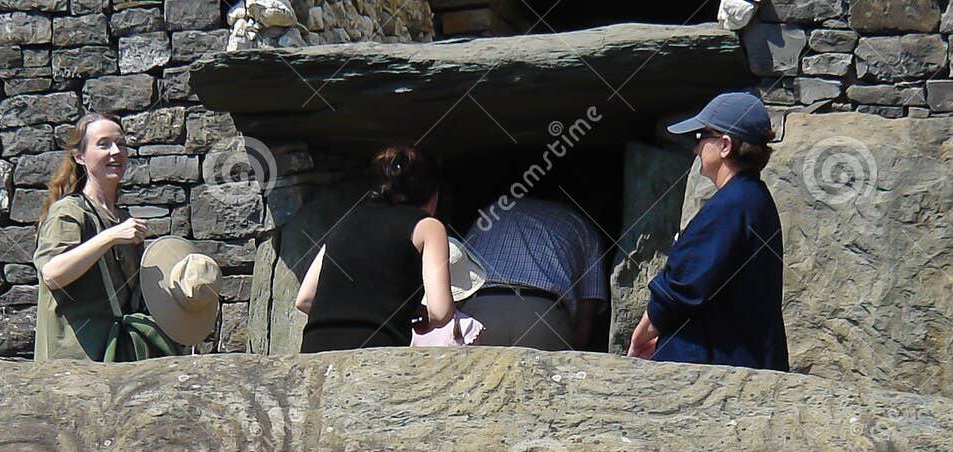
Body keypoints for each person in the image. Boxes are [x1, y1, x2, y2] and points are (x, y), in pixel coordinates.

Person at [626, 91, 789, 371]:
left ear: (725, 145)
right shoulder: (755, 201)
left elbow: (682, 287)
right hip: (744, 361)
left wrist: (641, 335)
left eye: (700, 138)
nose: (695, 149)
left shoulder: (730, 207)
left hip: (713, 370)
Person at [34, 113, 189, 361]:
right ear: (80, 156)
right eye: (104, 144)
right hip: (74, 365)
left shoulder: (122, 218)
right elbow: (53, 274)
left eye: (121, 144)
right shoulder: (69, 211)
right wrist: (110, 237)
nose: (116, 151)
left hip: (118, 359)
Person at [295, 145, 454, 352]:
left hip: (314, 352)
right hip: (376, 351)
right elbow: (440, 312)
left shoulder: (346, 221)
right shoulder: (428, 226)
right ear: (432, 193)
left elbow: (305, 299)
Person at [461, 194, 607, 351]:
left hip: (480, 309)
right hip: (543, 315)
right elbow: (585, 318)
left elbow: (458, 270)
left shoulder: (496, 210)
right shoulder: (581, 225)